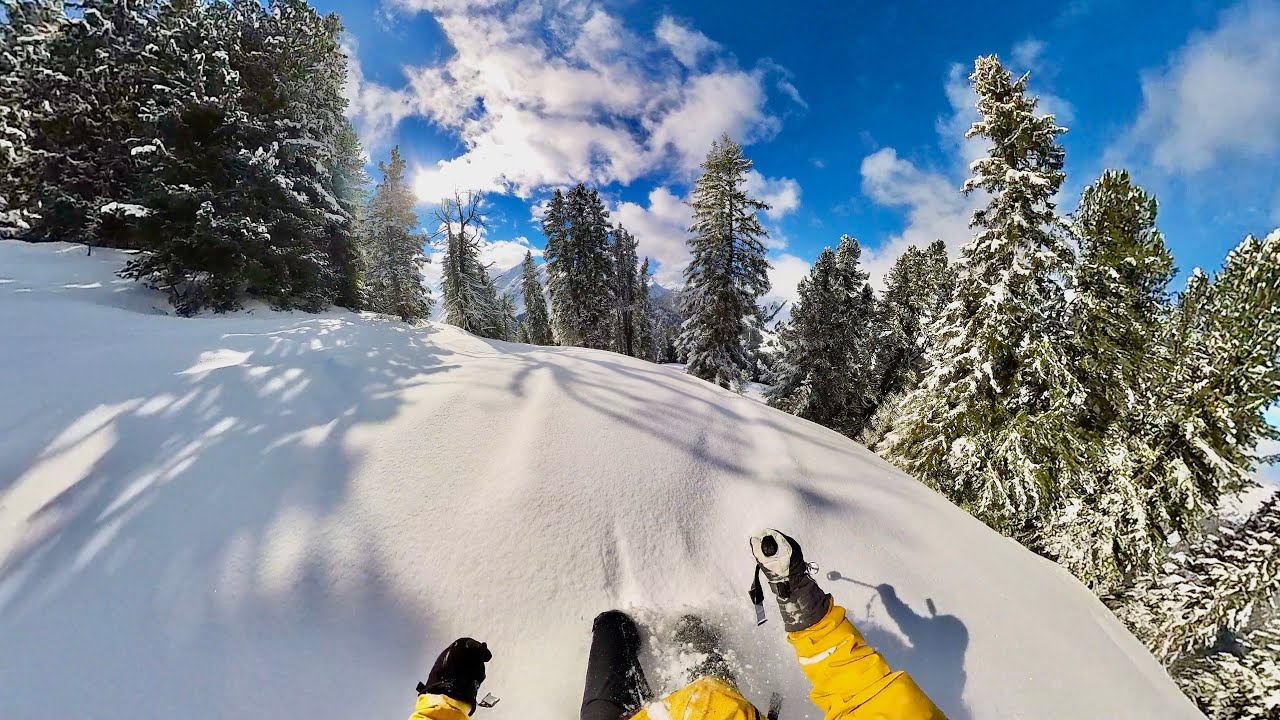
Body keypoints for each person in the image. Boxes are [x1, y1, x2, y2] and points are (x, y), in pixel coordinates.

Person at [408, 529, 947, 720]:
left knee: (610, 629)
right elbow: (874, 701)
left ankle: (654, 639)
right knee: (700, 655)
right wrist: (804, 609)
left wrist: (445, 702)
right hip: (722, 709)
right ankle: (691, 643)